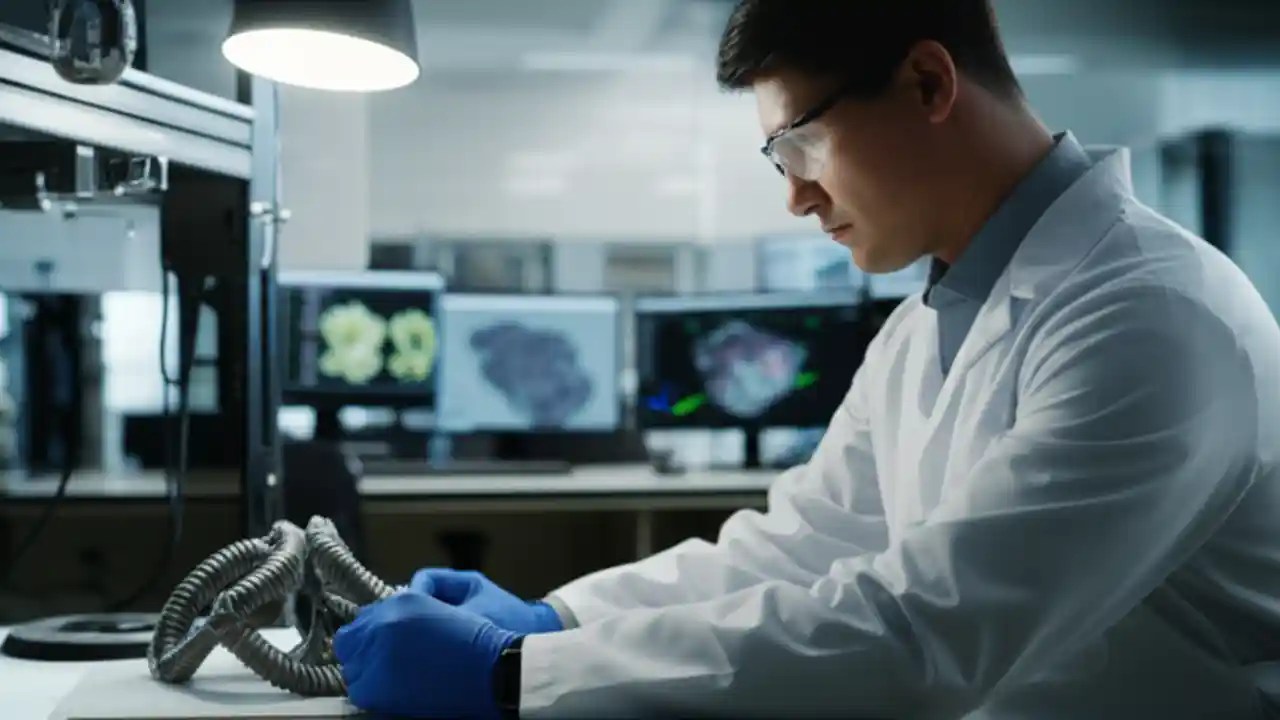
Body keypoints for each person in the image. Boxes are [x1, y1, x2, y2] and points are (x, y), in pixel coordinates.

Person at [332, 1, 1280, 717]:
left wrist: (512, 673)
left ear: (927, 82)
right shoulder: (933, 320)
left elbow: (928, 634)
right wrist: (557, 620)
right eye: (776, 161)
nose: (795, 199)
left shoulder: (1151, 315)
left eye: (800, 145)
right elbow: (805, 545)